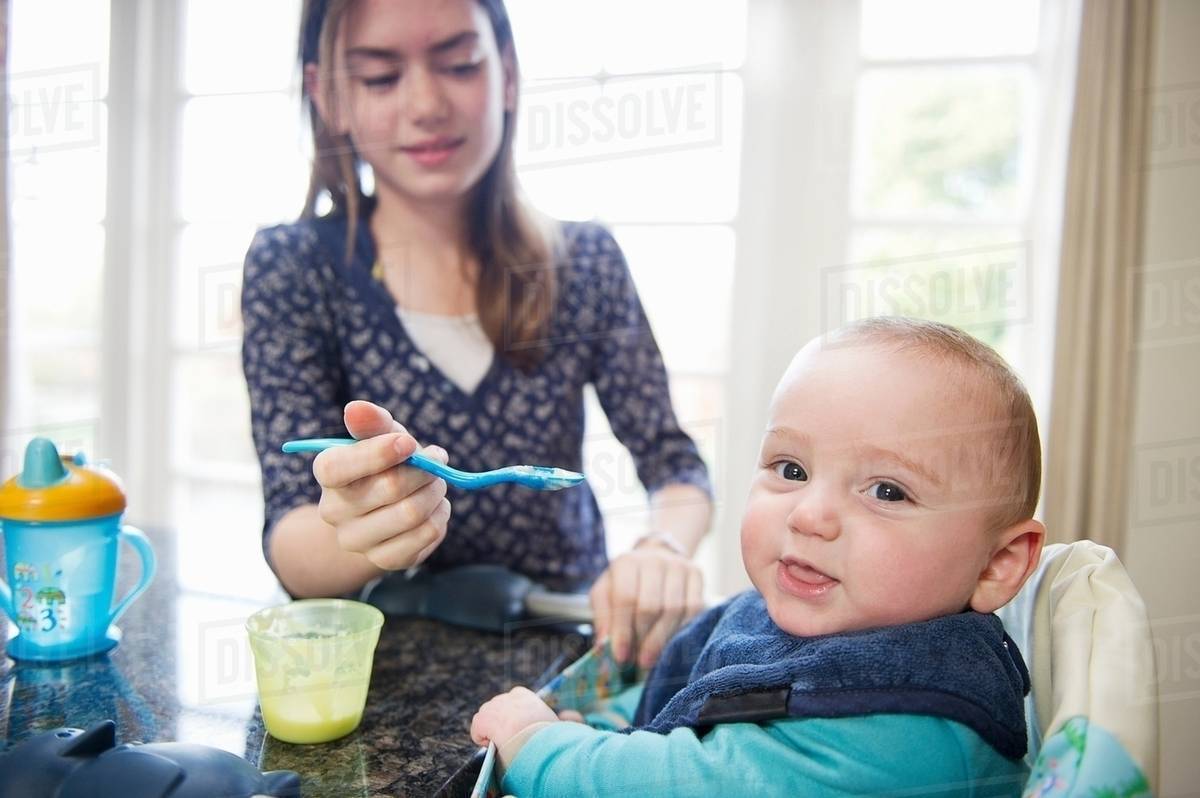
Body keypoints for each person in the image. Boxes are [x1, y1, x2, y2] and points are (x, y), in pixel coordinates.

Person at [240, 0, 713, 669]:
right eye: (380, 77)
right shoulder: (293, 268)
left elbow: (677, 468)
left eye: (459, 64)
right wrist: (356, 530)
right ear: (328, 97)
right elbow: (290, 537)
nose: (427, 104)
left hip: (567, 658)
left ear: (509, 73)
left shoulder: (585, 263)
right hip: (376, 671)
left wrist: (662, 548)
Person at [470, 317, 1046, 796]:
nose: (808, 515)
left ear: (998, 564)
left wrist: (538, 747)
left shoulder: (911, 732)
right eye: (790, 470)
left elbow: (682, 784)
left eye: (887, 492)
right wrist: (605, 728)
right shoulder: (839, 624)